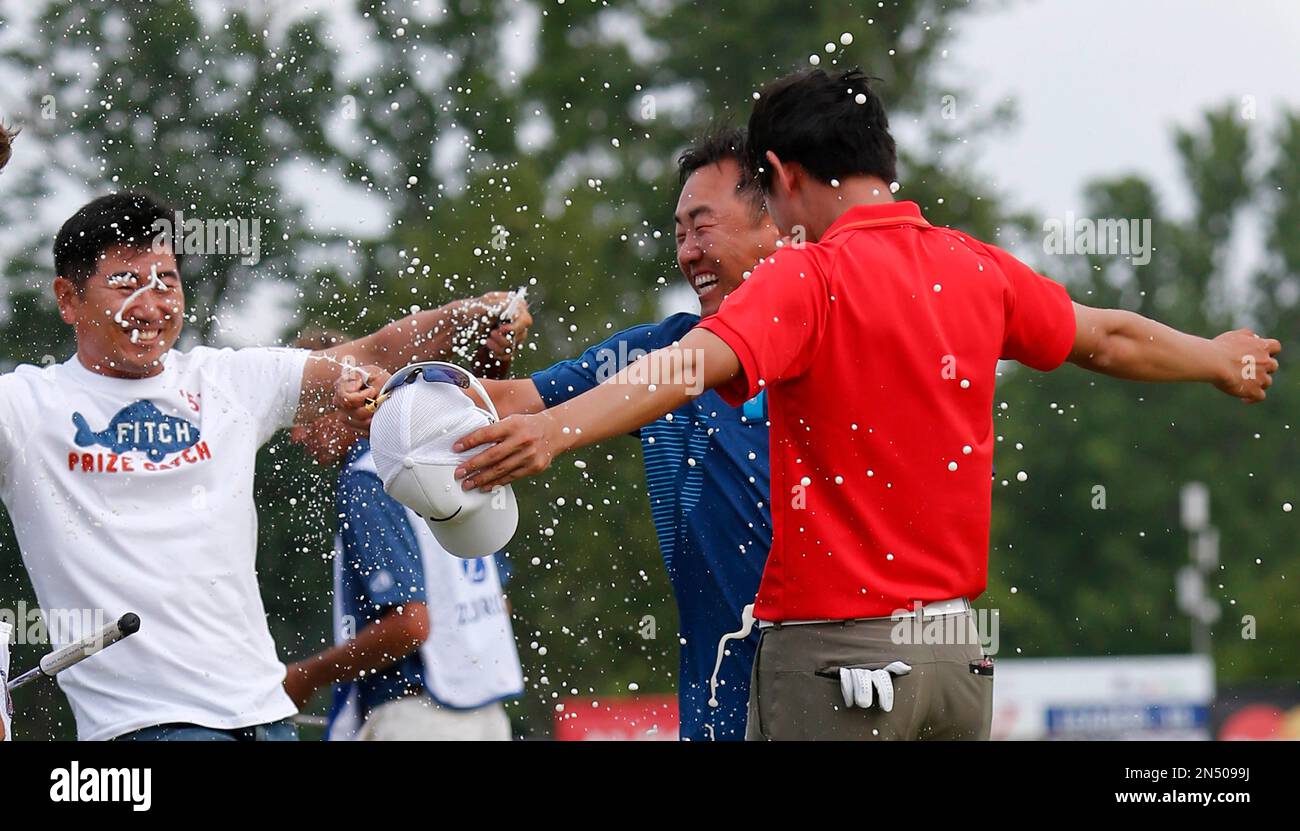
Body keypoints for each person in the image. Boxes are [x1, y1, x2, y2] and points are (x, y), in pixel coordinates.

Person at [442, 68, 1282, 740]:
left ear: (782, 176)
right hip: (956, 662)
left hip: (838, 665)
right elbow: (1104, 337)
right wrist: (1213, 357)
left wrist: (551, 430)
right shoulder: (973, 266)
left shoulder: (807, 276)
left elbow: (691, 363)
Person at [0, 190, 528, 741]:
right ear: (68, 299)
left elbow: (370, 355)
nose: (152, 306)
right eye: (126, 284)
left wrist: (473, 316)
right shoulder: (25, 408)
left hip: (266, 717)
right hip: (146, 727)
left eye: (167, 283)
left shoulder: (226, 380)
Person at [345, 129, 783, 741]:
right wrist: (400, 397)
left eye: (702, 227)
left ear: (781, 219)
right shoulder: (663, 348)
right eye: (679, 234)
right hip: (719, 696)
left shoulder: (836, 346)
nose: (687, 253)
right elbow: (515, 398)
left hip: (831, 667)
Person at [283, 333, 523, 740]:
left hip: (417, 715)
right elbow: (500, 602)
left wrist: (306, 676)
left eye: (303, 412)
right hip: (486, 714)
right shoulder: (437, 455)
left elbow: (411, 626)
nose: (296, 435)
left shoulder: (368, 477)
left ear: (349, 399)